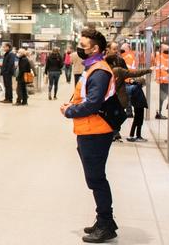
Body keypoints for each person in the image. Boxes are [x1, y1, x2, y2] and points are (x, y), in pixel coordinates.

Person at [59, 28, 118, 243]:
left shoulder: (100, 71)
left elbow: (93, 103)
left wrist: (69, 111)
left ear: (95, 49)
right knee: (94, 178)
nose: (79, 49)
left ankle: (105, 224)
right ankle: (104, 220)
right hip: (88, 130)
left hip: (96, 132)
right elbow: (84, 96)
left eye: (83, 46)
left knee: (96, 179)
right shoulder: (92, 68)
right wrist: (72, 103)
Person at [154, 44, 169, 119]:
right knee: (162, 97)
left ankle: (160, 111)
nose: (168, 51)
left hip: (167, 80)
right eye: (167, 49)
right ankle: (159, 112)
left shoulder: (168, 57)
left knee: (165, 96)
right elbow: (162, 68)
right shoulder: (159, 57)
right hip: (164, 81)